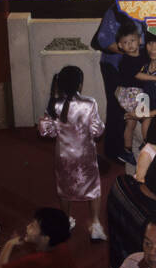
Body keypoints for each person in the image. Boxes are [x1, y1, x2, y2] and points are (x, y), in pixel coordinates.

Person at [39, 66, 106, 241]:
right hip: (86, 155)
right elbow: (97, 130)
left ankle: (66, 220)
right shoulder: (89, 103)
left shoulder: (54, 104)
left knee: (64, 189)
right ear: (80, 85)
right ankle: (95, 223)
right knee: (93, 188)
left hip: (63, 156)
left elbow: (46, 131)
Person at [120, 31, 156, 155]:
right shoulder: (143, 64)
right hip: (141, 115)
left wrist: (144, 115)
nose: (152, 49)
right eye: (150, 43)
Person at [99, 16, 143, 166]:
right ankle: (119, 151)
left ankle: (131, 148)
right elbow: (102, 41)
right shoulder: (115, 11)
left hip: (136, 82)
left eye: (133, 41)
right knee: (122, 116)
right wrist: (130, 49)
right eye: (126, 42)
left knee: (136, 119)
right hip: (119, 74)